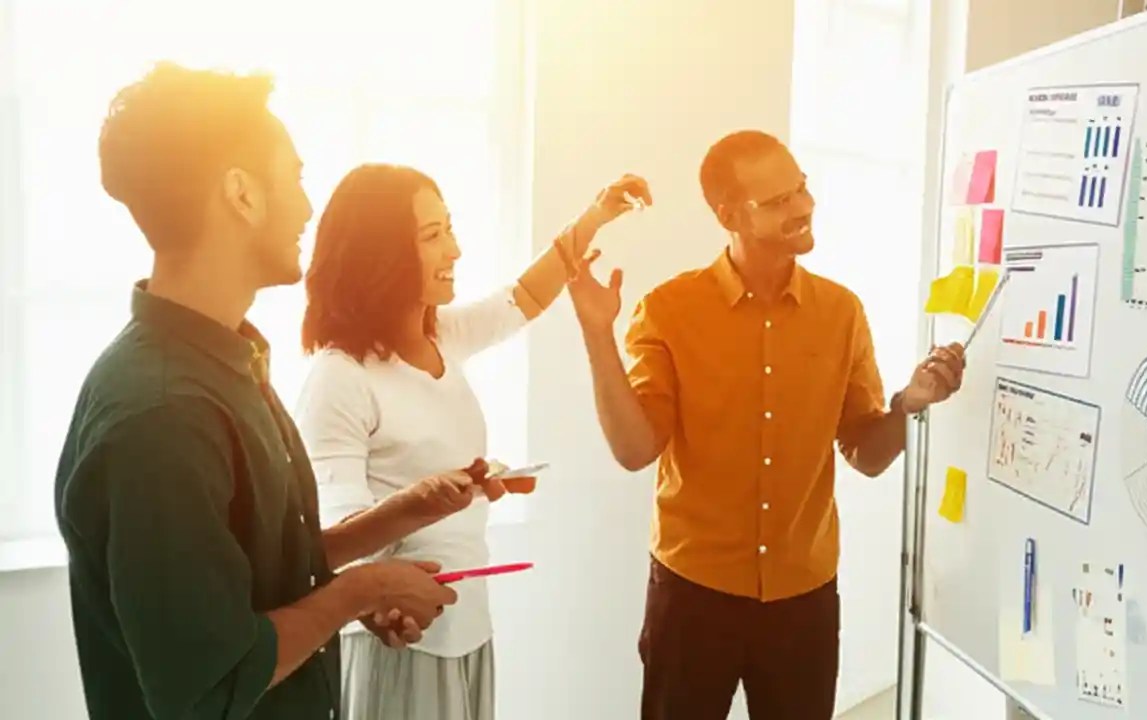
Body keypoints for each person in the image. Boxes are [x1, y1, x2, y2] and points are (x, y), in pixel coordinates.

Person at [53, 63, 466, 720]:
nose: (306, 206)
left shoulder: (226, 361)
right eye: (297, 177)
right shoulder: (164, 418)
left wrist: (398, 519)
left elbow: (259, 569)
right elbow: (211, 685)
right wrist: (359, 592)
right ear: (241, 194)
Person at [564, 130, 967, 720]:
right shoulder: (670, 310)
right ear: (728, 214)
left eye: (801, 187)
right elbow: (634, 449)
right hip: (694, 594)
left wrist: (910, 403)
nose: (802, 206)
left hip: (803, 599)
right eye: (778, 201)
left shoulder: (841, 312)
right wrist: (598, 333)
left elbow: (867, 453)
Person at [293, 162, 651, 720]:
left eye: (450, 229)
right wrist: (426, 503)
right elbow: (336, 537)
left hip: (466, 626)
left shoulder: (441, 336)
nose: (454, 250)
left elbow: (526, 296)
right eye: (432, 236)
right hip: (405, 639)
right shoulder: (341, 376)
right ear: (380, 254)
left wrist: (598, 215)